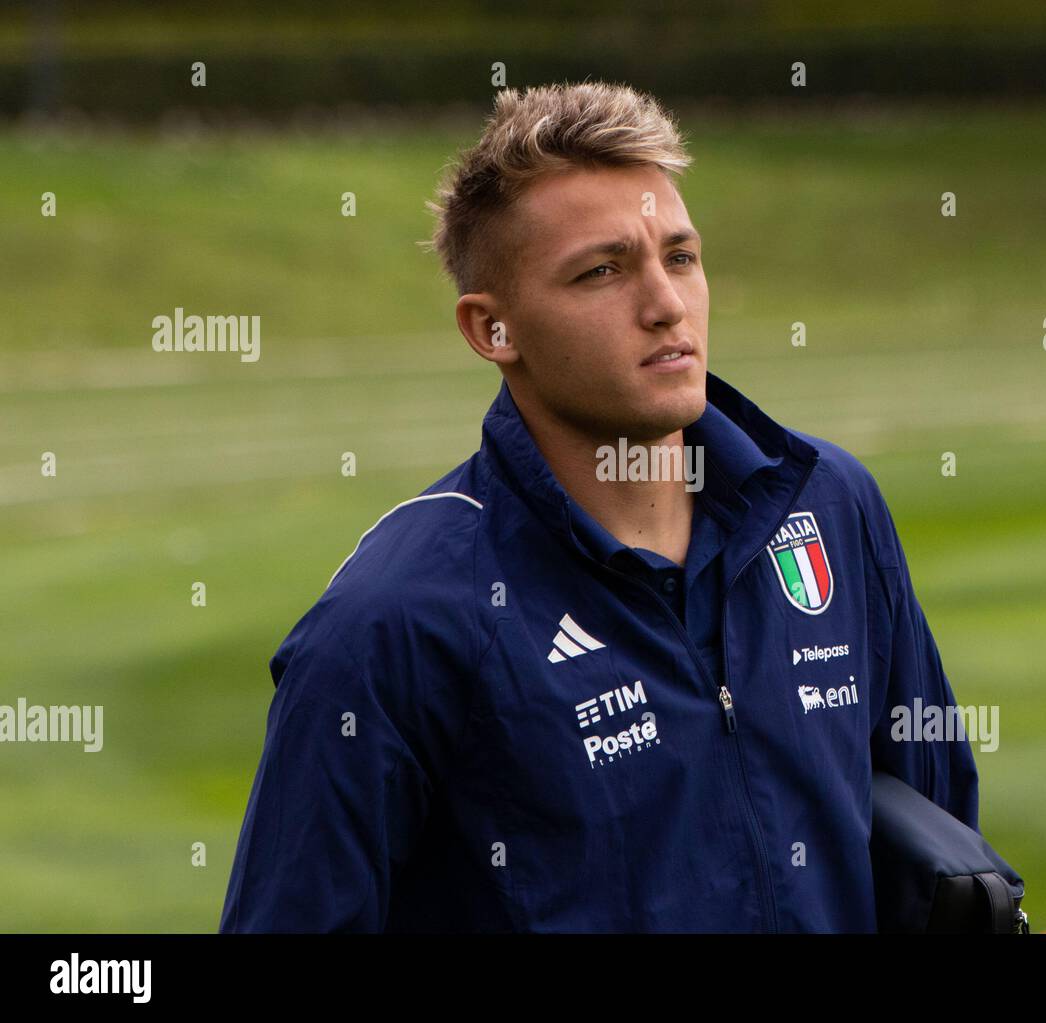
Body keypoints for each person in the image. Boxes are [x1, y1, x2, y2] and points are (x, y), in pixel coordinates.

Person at [219, 80, 979, 933]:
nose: (666, 306)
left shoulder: (832, 505)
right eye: (603, 271)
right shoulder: (391, 623)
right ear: (491, 329)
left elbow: (941, 844)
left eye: (681, 257)